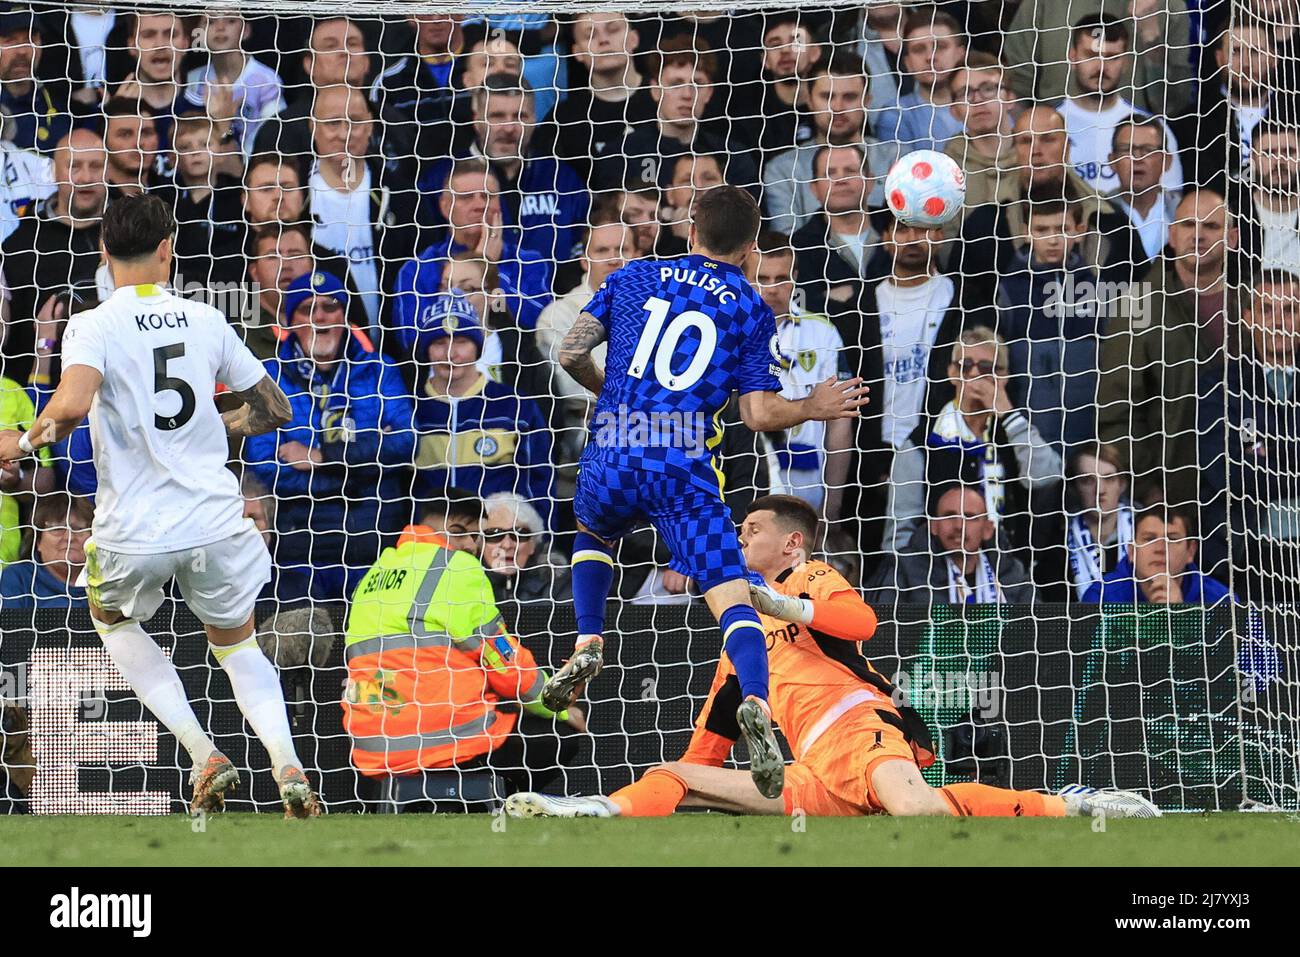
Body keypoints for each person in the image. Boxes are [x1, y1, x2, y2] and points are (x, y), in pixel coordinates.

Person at [504, 495, 1155, 820]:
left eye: (750, 529)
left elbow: (862, 621)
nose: (738, 536)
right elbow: (708, 743)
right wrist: (674, 787)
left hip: (860, 730)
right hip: (810, 768)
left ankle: (1070, 803)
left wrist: (788, 608)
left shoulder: (808, 578)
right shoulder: (741, 636)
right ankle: (599, 810)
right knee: (679, 771)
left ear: (790, 544)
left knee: (919, 811)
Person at [0, 193, 320, 818]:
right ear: (169, 248)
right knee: (237, 646)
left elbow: (68, 407)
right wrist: (214, 421)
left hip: (134, 529)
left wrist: (24, 442)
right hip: (215, 520)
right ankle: (287, 762)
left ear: (103, 252)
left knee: (112, 620)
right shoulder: (205, 320)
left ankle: (202, 752)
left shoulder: (92, 323)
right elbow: (276, 408)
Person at [546, 185, 870, 799]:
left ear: (689, 232)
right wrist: (815, 404)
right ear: (750, 251)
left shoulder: (634, 273)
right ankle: (756, 703)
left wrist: (608, 397)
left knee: (594, 532)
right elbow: (755, 414)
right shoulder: (749, 306)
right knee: (733, 600)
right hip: (683, 470)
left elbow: (570, 350)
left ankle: (589, 638)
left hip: (612, 452)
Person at [342, 522, 584, 808]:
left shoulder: (373, 576)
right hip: (450, 741)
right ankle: (491, 806)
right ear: (442, 529)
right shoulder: (456, 567)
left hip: (375, 748)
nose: (473, 544)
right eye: (465, 533)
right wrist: (557, 706)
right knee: (561, 738)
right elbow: (506, 663)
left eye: (476, 536)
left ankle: (443, 804)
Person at [244, 270, 416, 603]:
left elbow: (406, 443)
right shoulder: (269, 376)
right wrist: (360, 472)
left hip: (373, 538)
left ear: (344, 316)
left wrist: (323, 458)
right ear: (291, 321)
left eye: (330, 306)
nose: (320, 316)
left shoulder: (380, 368)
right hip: (301, 543)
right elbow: (263, 464)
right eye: (308, 308)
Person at [1097, 189, 1239, 508]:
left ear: (1233, 237)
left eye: (1211, 227)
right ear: (1172, 235)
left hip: (1246, 493)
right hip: (1172, 496)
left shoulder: (1253, 306)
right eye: (1188, 225)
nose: (1198, 236)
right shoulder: (1138, 305)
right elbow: (1117, 411)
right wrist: (1148, 489)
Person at [886, 327, 1063, 553]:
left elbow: (1046, 476)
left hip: (1007, 570)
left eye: (986, 368)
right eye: (965, 365)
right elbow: (899, 533)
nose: (973, 374)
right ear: (951, 372)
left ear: (1004, 376)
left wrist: (1007, 412)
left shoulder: (1013, 431)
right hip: (939, 574)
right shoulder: (922, 441)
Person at [410, 289, 554, 527]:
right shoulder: (411, 409)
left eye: (462, 341)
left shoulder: (514, 406)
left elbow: (539, 484)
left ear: (478, 347)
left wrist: (541, 541)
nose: (450, 353)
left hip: (498, 544)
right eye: (439, 342)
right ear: (426, 350)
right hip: (430, 544)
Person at [1199, 269, 1300, 604]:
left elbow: (1251, 467)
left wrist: (1265, 453)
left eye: (1290, 310)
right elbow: (1227, 474)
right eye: (1267, 309)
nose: (1278, 322)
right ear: (1247, 316)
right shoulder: (1218, 386)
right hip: (1246, 556)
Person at [750, 232, 852, 522]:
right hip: (745, 479)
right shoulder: (724, 332)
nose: (771, 289)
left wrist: (832, 507)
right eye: (761, 278)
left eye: (780, 278)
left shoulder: (822, 333)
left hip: (805, 486)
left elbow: (841, 423)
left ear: (795, 276)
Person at [997, 199, 1106, 453]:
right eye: (1042, 230)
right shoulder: (1008, 290)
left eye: (1062, 229)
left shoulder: (1097, 289)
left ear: (1079, 231)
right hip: (1028, 442)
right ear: (1027, 232)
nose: (1053, 239)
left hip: (1087, 438)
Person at [1, 129, 107, 385]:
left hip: (112, 391)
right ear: (53, 172)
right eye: (74, 166)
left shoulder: (127, 236)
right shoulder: (22, 243)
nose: (85, 177)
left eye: (96, 166)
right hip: (35, 391)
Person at [1055, 15, 1184, 199]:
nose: (1101, 67)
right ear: (1072, 57)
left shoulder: (1152, 129)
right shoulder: (1049, 128)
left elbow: (1171, 202)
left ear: (1126, 62)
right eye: (1091, 56)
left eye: (1111, 57)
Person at [865, 482, 1039, 607]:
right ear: (933, 526)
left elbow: (1038, 633)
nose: (959, 526)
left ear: (987, 529)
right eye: (949, 516)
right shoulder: (901, 568)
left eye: (970, 517)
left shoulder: (1011, 572)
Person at [1034, 441, 1136, 601]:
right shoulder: (1057, 547)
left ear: (1122, 484)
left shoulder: (1146, 536)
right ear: (1075, 488)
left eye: (1109, 479)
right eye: (1088, 480)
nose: (1100, 490)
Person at [1082, 504, 1231, 604]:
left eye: (1172, 539)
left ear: (1190, 551)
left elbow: (1246, 651)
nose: (1160, 548)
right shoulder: (1100, 597)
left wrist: (1181, 615)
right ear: (1132, 551)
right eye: (1149, 539)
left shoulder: (1220, 600)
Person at [875, 9, 967, 153]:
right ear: (908, 63)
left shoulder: (986, 103)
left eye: (940, 47)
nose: (930, 57)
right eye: (919, 49)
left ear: (961, 54)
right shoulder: (896, 115)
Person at [1109, 115, 1181, 261]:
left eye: (1148, 150)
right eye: (1126, 150)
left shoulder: (1184, 215)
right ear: (1112, 161)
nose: (1137, 159)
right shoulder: (1097, 216)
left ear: (1166, 161)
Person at [0, 492, 90, 607]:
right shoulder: (18, 578)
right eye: (57, 529)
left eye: (78, 529)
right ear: (38, 541)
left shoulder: (109, 579)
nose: (69, 537)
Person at [481, 492, 572, 603]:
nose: (507, 545)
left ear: (533, 543)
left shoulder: (558, 585)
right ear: (480, 543)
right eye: (494, 534)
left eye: (519, 534)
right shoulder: (463, 581)